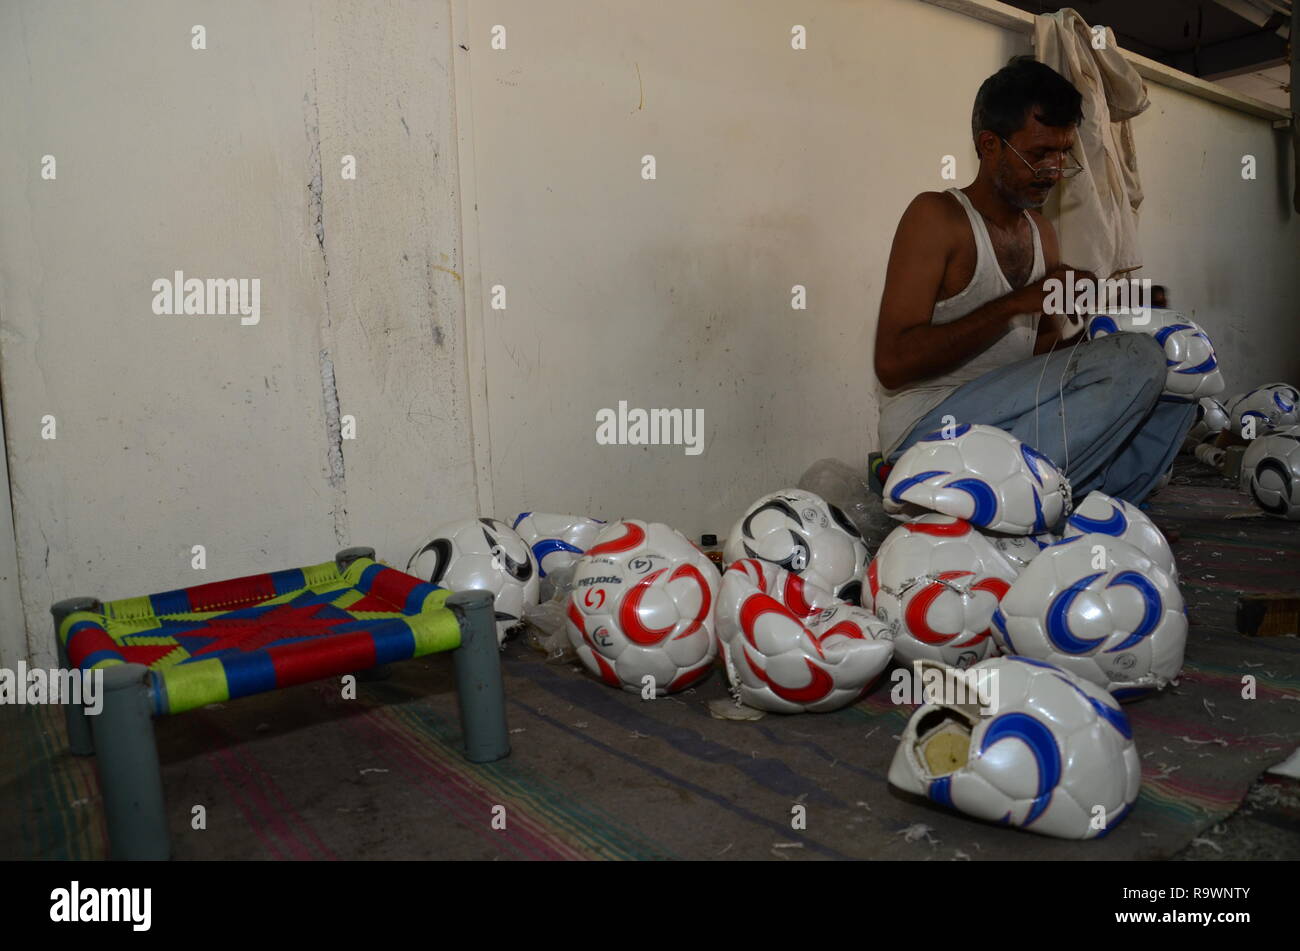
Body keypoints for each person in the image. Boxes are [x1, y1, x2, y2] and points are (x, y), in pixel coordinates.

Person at [872, 58, 1194, 507]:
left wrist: (1118, 324)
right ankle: (986, 498)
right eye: (1040, 153)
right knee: (1137, 360)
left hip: (1011, 424)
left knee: (1176, 367)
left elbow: (1041, 363)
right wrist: (1015, 303)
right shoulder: (936, 217)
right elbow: (891, 363)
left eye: (1064, 153)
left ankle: (1063, 506)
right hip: (930, 427)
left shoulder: (1042, 232)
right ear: (990, 146)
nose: (1055, 170)